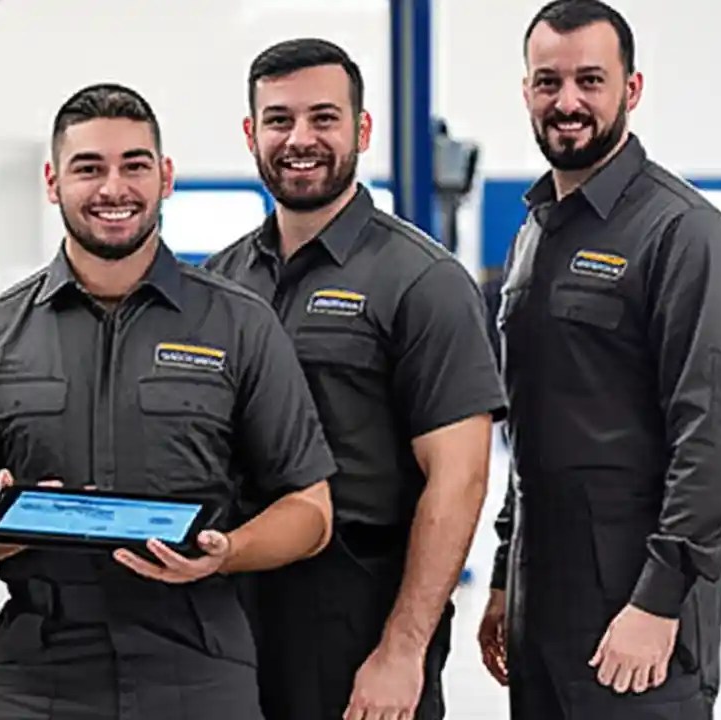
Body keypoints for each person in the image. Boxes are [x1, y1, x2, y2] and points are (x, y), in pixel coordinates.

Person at [0, 82, 338, 720]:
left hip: (199, 668)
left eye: (134, 165)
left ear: (165, 176)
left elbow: (311, 508)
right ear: (53, 182)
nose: (114, 188)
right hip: (40, 676)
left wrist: (229, 554)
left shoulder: (238, 324)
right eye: (89, 168)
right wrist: (4, 527)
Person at [204, 38, 507, 720]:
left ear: (362, 129)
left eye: (324, 118)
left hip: (359, 614)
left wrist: (402, 651)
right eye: (279, 120)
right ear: (252, 134)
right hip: (229, 612)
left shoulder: (424, 283)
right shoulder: (217, 283)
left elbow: (460, 480)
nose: (300, 139)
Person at [477, 2, 721, 718]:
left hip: (638, 605)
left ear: (630, 89)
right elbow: (533, 430)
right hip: (542, 604)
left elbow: (714, 434)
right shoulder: (534, 234)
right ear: (527, 92)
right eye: (548, 82)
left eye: (590, 81)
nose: (567, 102)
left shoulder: (685, 232)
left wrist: (660, 600)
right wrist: (507, 573)